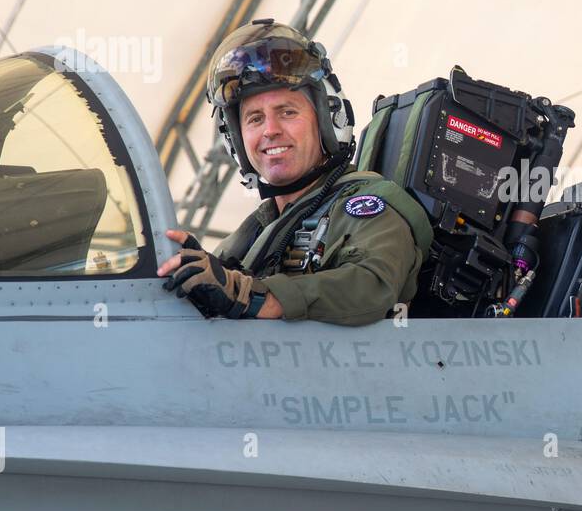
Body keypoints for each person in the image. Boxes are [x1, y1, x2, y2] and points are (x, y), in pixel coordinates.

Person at [157, 19, 432, 325]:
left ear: (324, 121)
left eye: (287, 112)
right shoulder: (258, 231)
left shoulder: (367, 205)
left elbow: (372, 287)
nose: (271, 130)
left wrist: (257, 297)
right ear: (236, 137)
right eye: (255, 118)